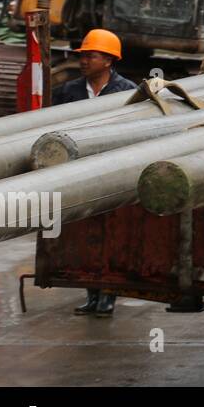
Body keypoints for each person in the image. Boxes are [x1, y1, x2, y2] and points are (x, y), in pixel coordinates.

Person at [53, 29, 136, 316]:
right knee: (86, 236)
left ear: (109, 61)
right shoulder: (68, 92)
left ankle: (108, 293)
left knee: (111, 234)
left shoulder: (127, 92)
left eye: (92, 55)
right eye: (83, 55)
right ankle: (92, 293)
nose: (85, 61)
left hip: (112, 173)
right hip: (78, 173)